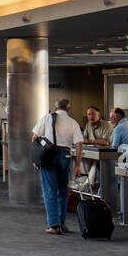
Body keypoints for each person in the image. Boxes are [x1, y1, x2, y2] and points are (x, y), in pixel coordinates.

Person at [32, 97, 84, 236]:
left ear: (55, 108)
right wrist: (77, 166)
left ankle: (54, 225)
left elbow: (35, 137)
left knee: (50, 190)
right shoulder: (73, 122)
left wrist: (37, 159)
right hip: (65, 156)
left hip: (48, 156)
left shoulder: (47, 118)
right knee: (62, 190)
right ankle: (61, 222)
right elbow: (79, 144)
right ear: (69, 109)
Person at [74, 105, 115, 190]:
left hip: (106, 155)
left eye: (92, 114)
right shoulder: (88, 125)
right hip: (92, 152)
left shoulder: (107, 125)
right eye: (88, 114)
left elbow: (105, 142)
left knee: (95, 162)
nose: (90, 116)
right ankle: (83, 182)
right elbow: (83, 139)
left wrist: (90, 141)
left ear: (99, 116)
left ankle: (88, 183)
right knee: (80, 158)